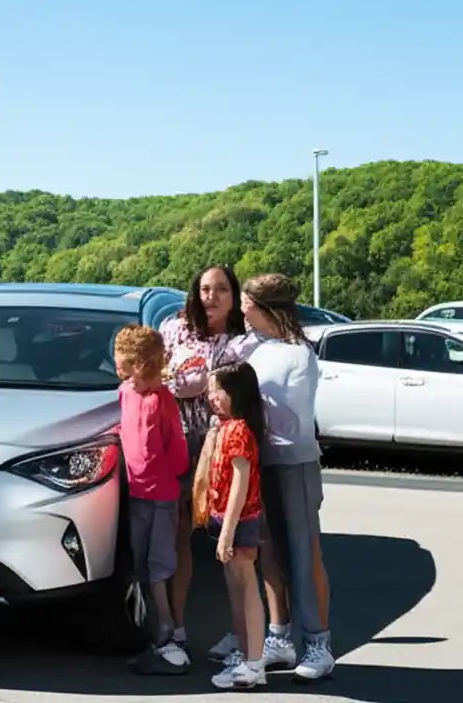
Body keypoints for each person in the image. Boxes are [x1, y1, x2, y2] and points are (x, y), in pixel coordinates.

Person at [240, 273, 335, 681]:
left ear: (264, 309)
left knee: (303, 550)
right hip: (262, 460)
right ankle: (279, 636)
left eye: (247, 306)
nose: (242, 313)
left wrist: (253, 406)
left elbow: (292, 417)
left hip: (294, 462)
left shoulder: (299, 353)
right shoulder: (260, 351)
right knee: (269, 551)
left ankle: (317, 642)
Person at [158, 265, 247, 654]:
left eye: (221, 290)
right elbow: (156, 373)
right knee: (179, 537)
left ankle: (241, 632)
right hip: (175, 442)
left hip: (217, 445)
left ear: (234, 298)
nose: (211, 296)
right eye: (205, 289)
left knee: (228, 539)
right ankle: (176, 626)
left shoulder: (240, 343)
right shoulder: (174, 329)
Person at [113, 324, 192, 675]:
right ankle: (155, 635)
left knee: (159, 566)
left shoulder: (162, 400)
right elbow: (123, 430)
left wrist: (166, 473)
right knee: (142, 565)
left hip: (160, 495)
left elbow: (177, 451)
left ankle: (167, 635)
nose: (119, 368)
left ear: (141, 362)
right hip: (138, 493)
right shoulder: (125, 392)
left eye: (124, 362)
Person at [199, 362, 268, 690]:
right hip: (225, 516)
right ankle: (245, 654)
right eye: (211, 390)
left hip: (239, 519)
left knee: (246, 586)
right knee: (235, 588)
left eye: (219, 390)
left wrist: (227, 530)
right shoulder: (225, 427)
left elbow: (240, 483)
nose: (213, 396)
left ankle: (254, 661)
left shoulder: (239, 430)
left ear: (237, 393)